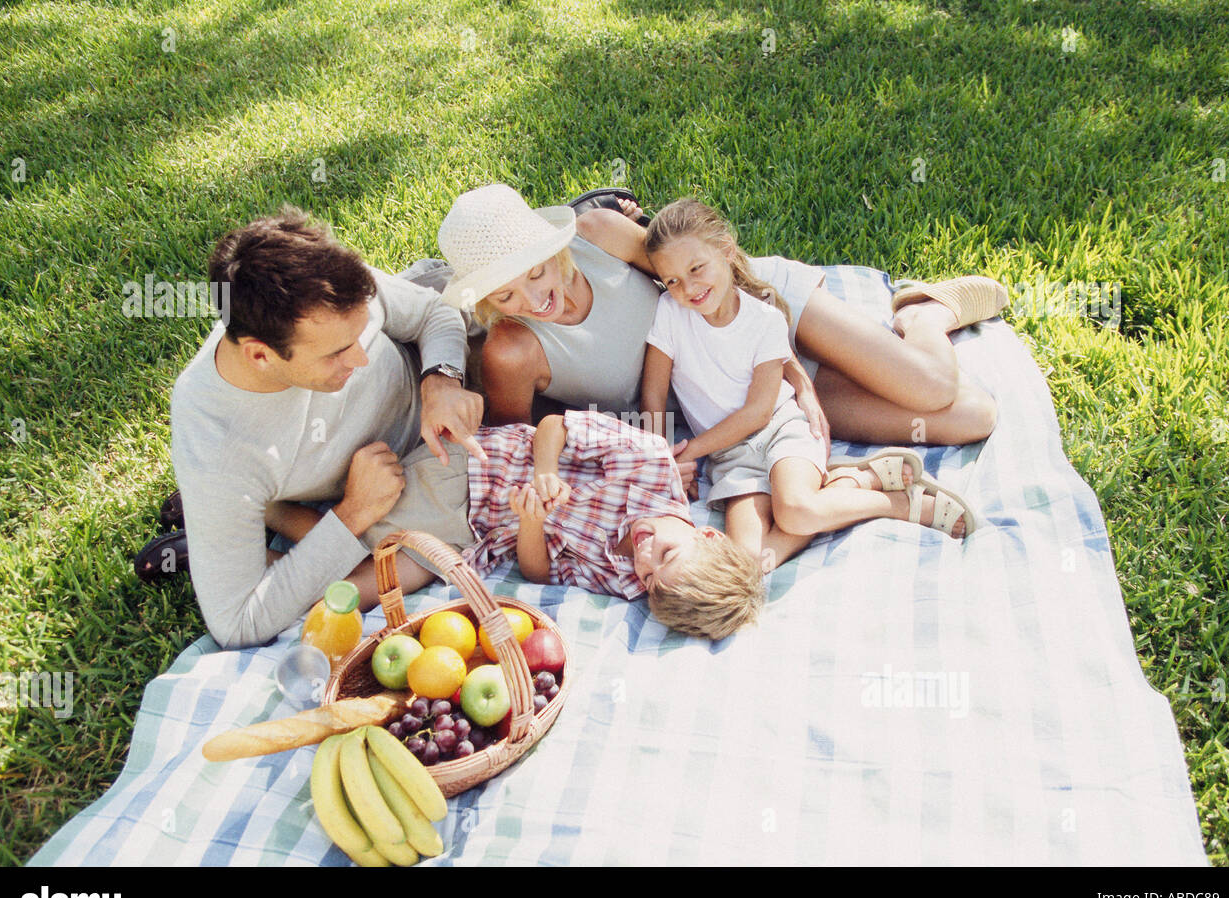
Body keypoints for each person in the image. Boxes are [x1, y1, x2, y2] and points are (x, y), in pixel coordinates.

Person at [436, 183, 1006, 459]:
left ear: (552, 246)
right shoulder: (511, 351)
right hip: (734, 386)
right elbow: (520, 445)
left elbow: (689, 273)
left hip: (761, 309)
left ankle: (925, 312)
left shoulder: (599, 235)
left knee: (930, 385)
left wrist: (800, 379)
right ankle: (914, 324)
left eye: (538, 273)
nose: (535, 300)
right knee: (971, 416)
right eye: (504, 295)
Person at [169, 207, 485, 649]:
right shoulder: (219, 445)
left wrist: (441, 380)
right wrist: (355, 511)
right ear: (261, 356)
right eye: (338, 353)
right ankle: (236, 529)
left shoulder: (331, 295)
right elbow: (237, 624)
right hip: (406, 480)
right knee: (430, 547)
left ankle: (257, 520)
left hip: (450, 394)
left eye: (362, 335)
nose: (361, 358)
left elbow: (433, 313)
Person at [638, 198, 974, 575]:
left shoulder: (764, 320)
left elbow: (758, 412)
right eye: (673, 280)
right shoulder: (670, 311)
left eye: (697, 268)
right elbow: (653, 395)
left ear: (727, 251)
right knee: (748, 561)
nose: (689, 287)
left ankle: (895, 504)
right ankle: (853, 481)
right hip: (730, 456)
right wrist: (661, 454)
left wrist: (688, 452)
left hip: (782, 431)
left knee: (795, 511)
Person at [266, 409, 769, 641]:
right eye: (665, 554)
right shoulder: (649, 462)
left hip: (475, 538)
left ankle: (272, 573)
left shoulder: (629, 583)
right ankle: (262, 511)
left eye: (649, 576)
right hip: (473, 475)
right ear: (708, 533)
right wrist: (545, 474)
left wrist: (532, 523)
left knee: (382, 581)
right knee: (362, 551)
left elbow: (539, 573)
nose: (643, 559)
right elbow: (554, 427)